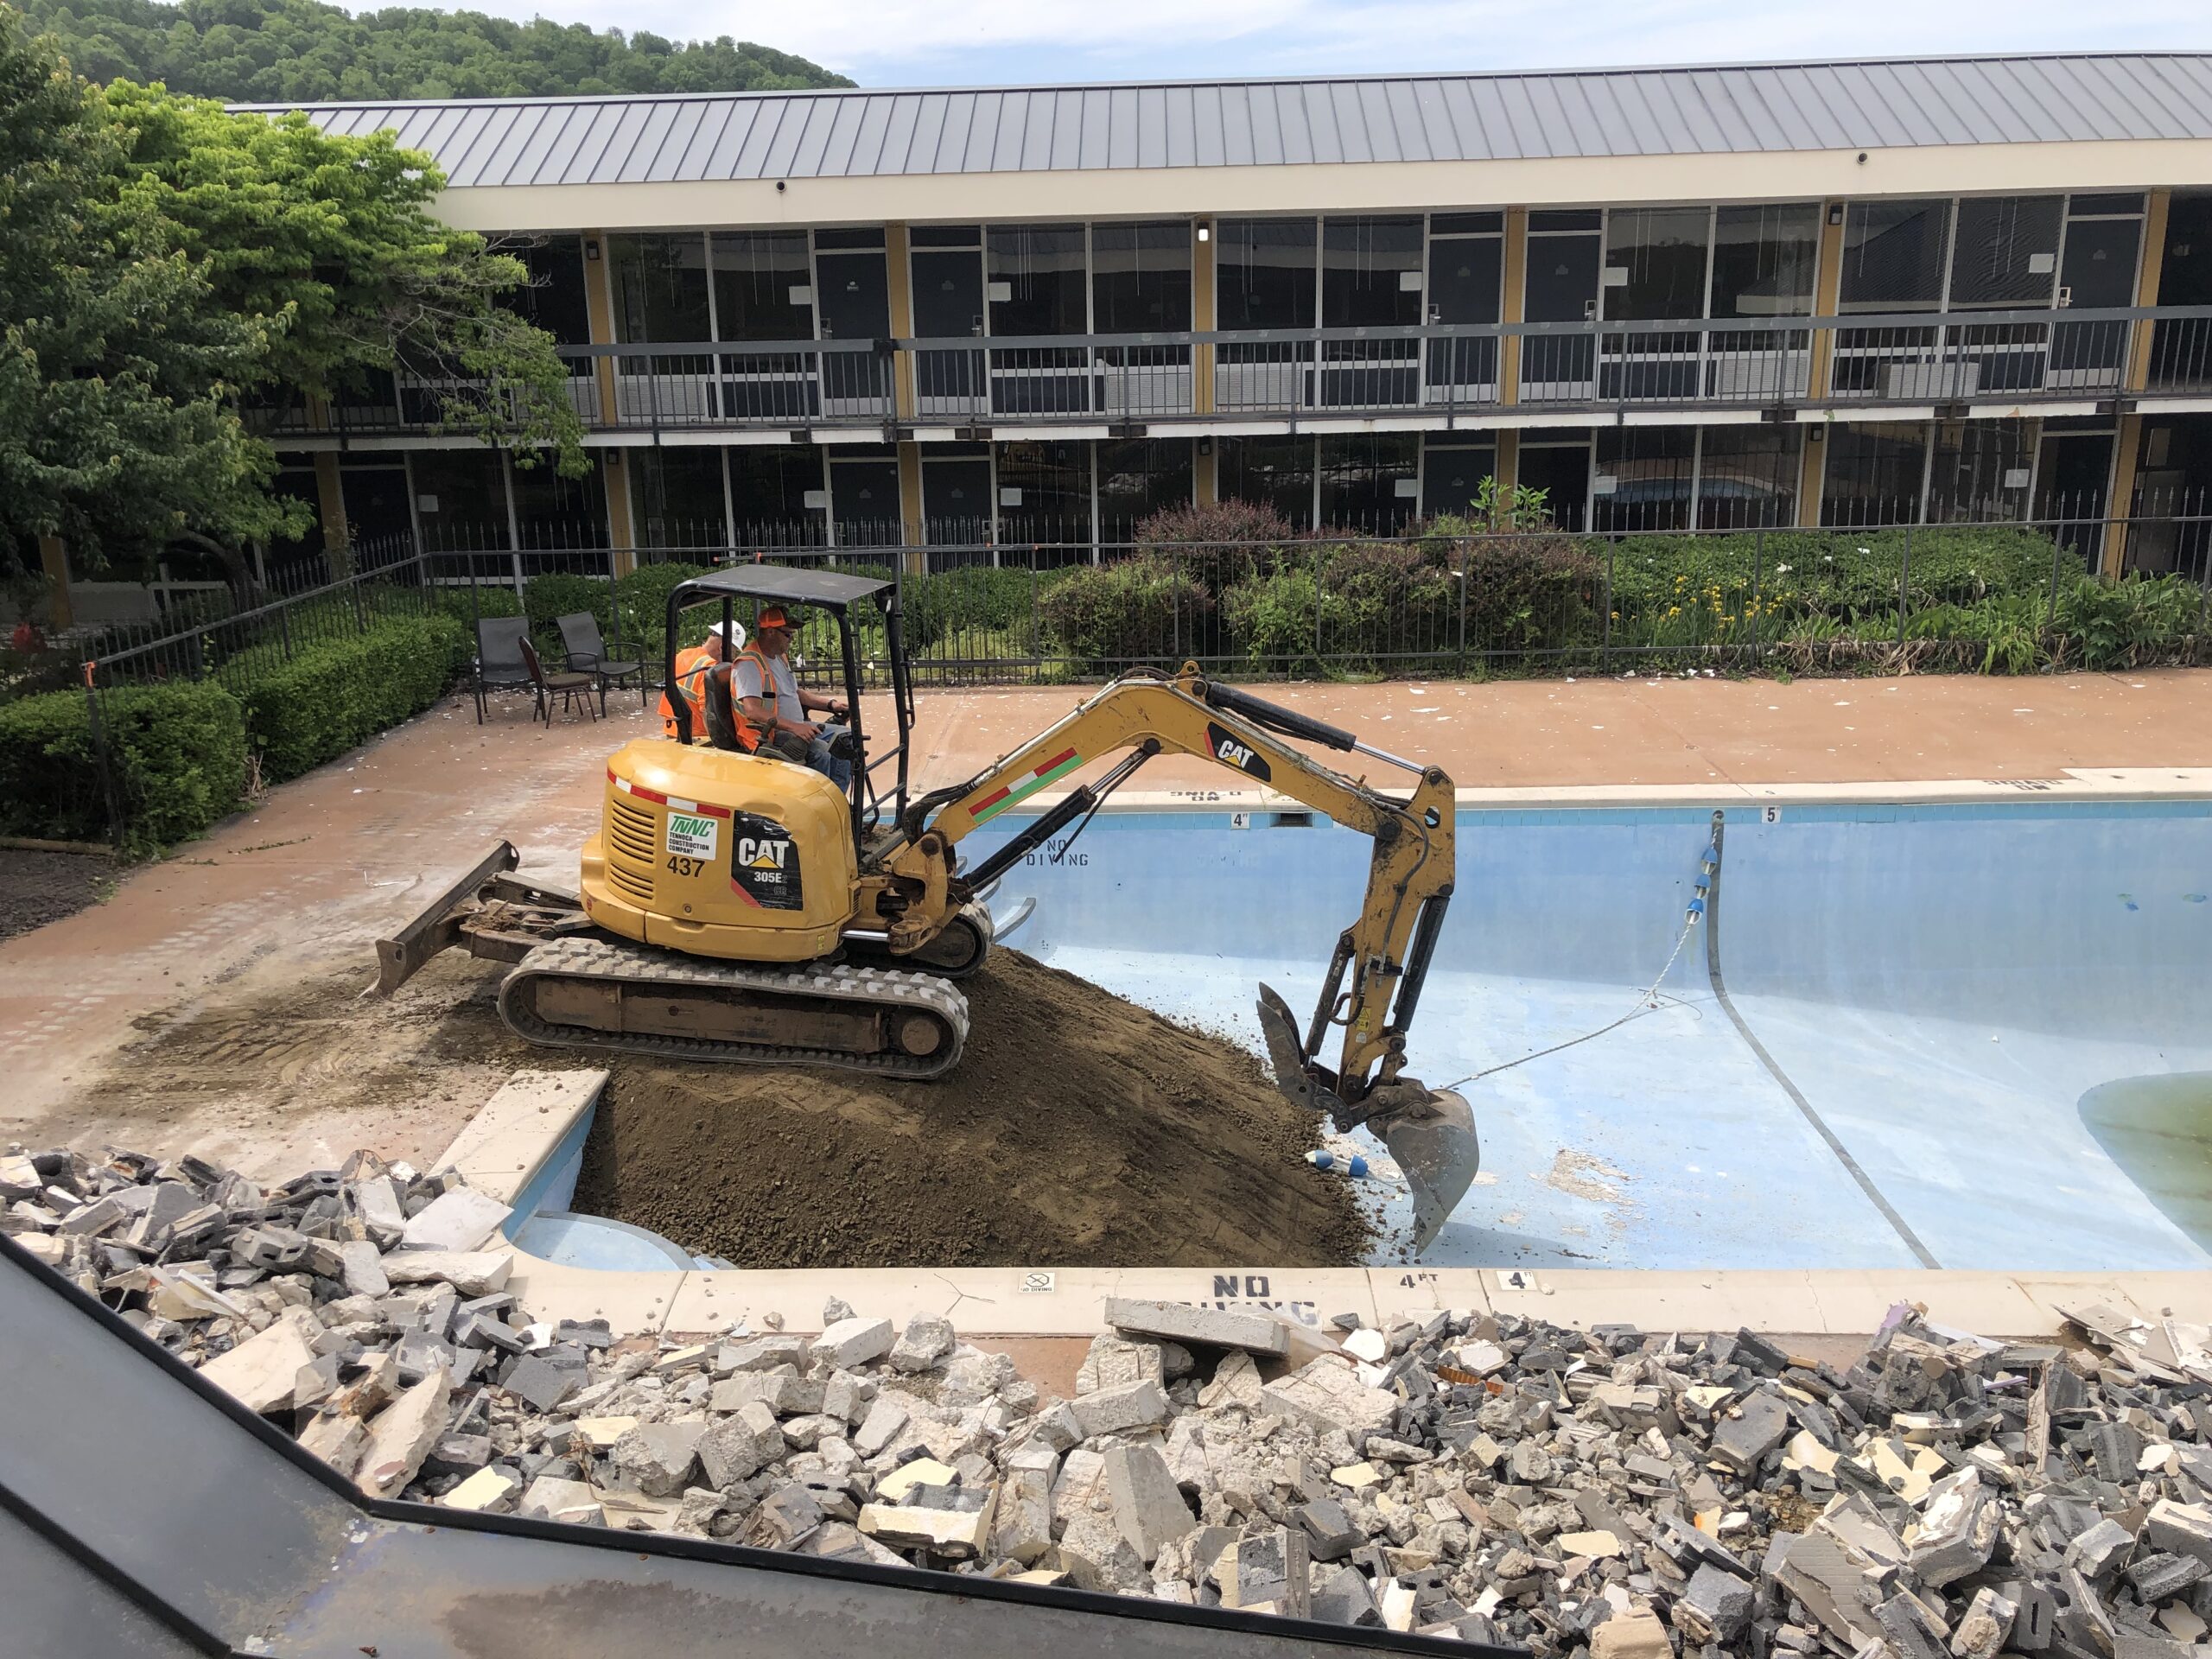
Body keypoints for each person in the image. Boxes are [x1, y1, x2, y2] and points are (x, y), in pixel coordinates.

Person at [733, 605, 853, 789]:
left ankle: (838, 801)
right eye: (788, 634)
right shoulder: (749, 664)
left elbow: (795, 693)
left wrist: (831, 704)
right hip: (769, 734)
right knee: (821, 752)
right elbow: (753, 711)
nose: (792, 639)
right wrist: (795, 727)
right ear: (771, 632)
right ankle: (817, 806)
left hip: (795, 727)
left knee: (846, 739)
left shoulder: (779, 657)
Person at [658, 620, 745, 742]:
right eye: (734, 651)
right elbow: (709, 712)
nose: (733, 656)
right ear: (722, 647)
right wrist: (719, 744)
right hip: (697, 738)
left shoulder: (684, 654)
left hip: (673, 730)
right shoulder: (710, 669)